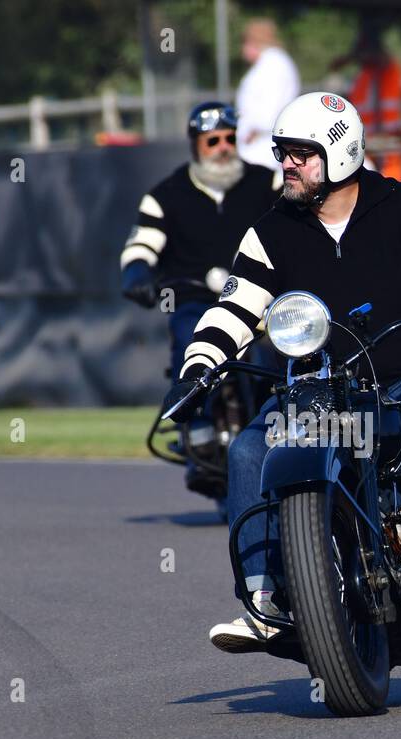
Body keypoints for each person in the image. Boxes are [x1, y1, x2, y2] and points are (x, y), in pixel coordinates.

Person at [163, 92, 401, 654]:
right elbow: (233, 309)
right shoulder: (270, 231)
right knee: (248, 449)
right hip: (315, 392)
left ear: (340, 153)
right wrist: (197, 368)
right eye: (283, 153)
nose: (288, 165)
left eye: (301, 153)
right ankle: (264, 600)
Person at [120, 102, 280, 496]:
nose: (223, 147)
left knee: (282, 352)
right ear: (196, 145)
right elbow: (141, 245)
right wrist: (137, 272)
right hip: (193, 298)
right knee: (192, 335)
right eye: (213, 141)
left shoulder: (269, 184)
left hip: (259, 299)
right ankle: (200, 428)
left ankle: (278, 427)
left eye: (229, 138)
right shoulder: (165, 196)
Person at [333, 17, 401, 181]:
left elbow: (381, 58)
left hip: (387, 145)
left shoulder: (389, 68)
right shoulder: (362, 78)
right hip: (367, 145)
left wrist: (351, 56)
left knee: (389, 189)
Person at [234, 19, 300, 170]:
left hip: (262, 145)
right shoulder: (271, 63)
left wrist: (253, 131)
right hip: (259, 143)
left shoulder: (273, 64)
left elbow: (271, 110)